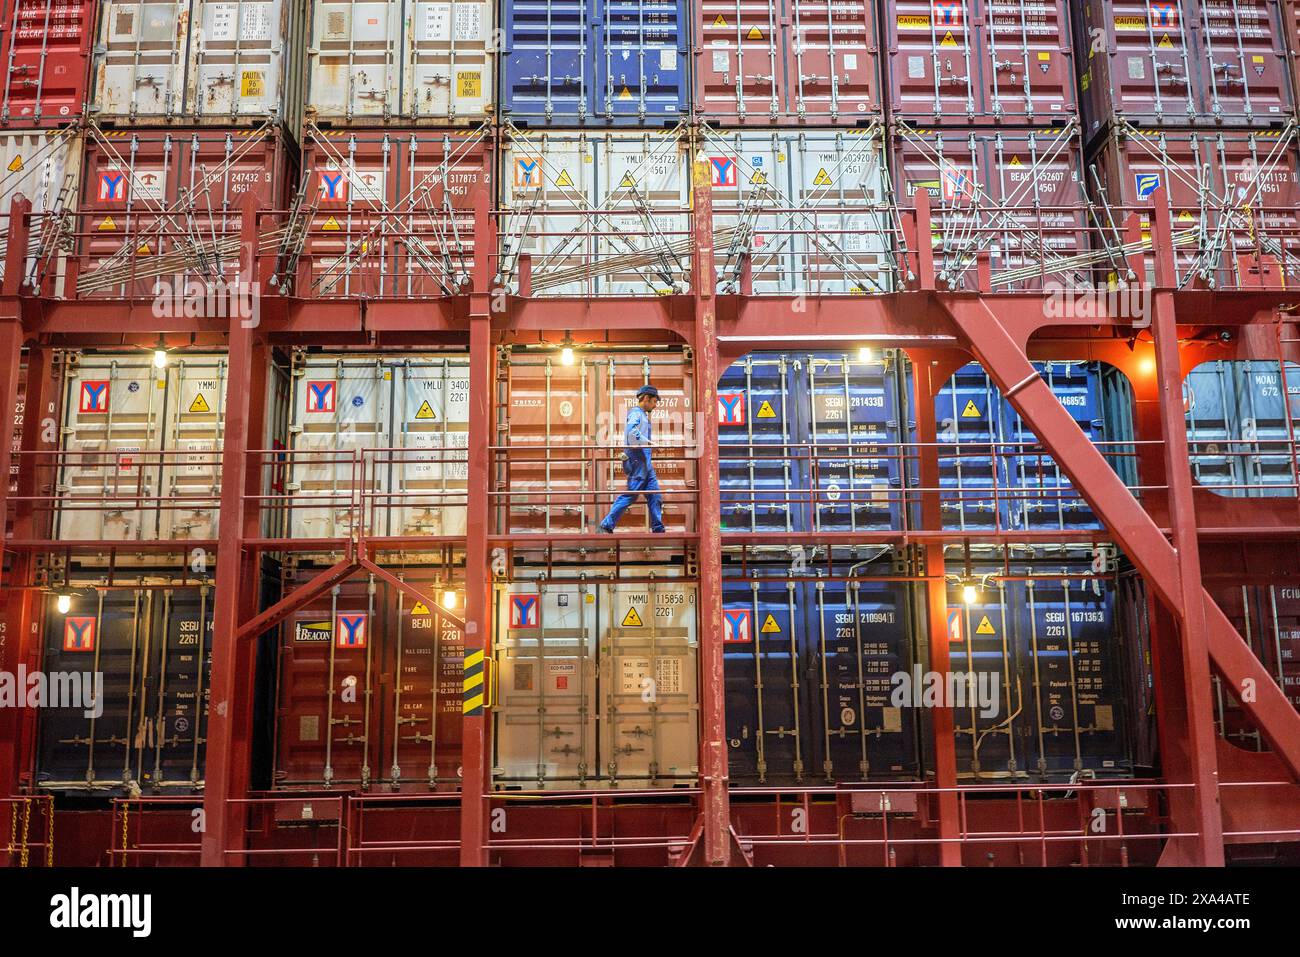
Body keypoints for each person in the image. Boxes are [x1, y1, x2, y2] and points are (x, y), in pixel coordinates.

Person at [599, 384, 665, 533]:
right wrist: (651, 443)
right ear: (646, 398)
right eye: (654, 401)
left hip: (645, 462)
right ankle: (607, 524)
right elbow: (631, 433)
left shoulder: (642, 415)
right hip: (637, 462)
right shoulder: (636, 413)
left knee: (655, 495)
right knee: (630, 495)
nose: (655, 405)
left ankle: (658, 529)